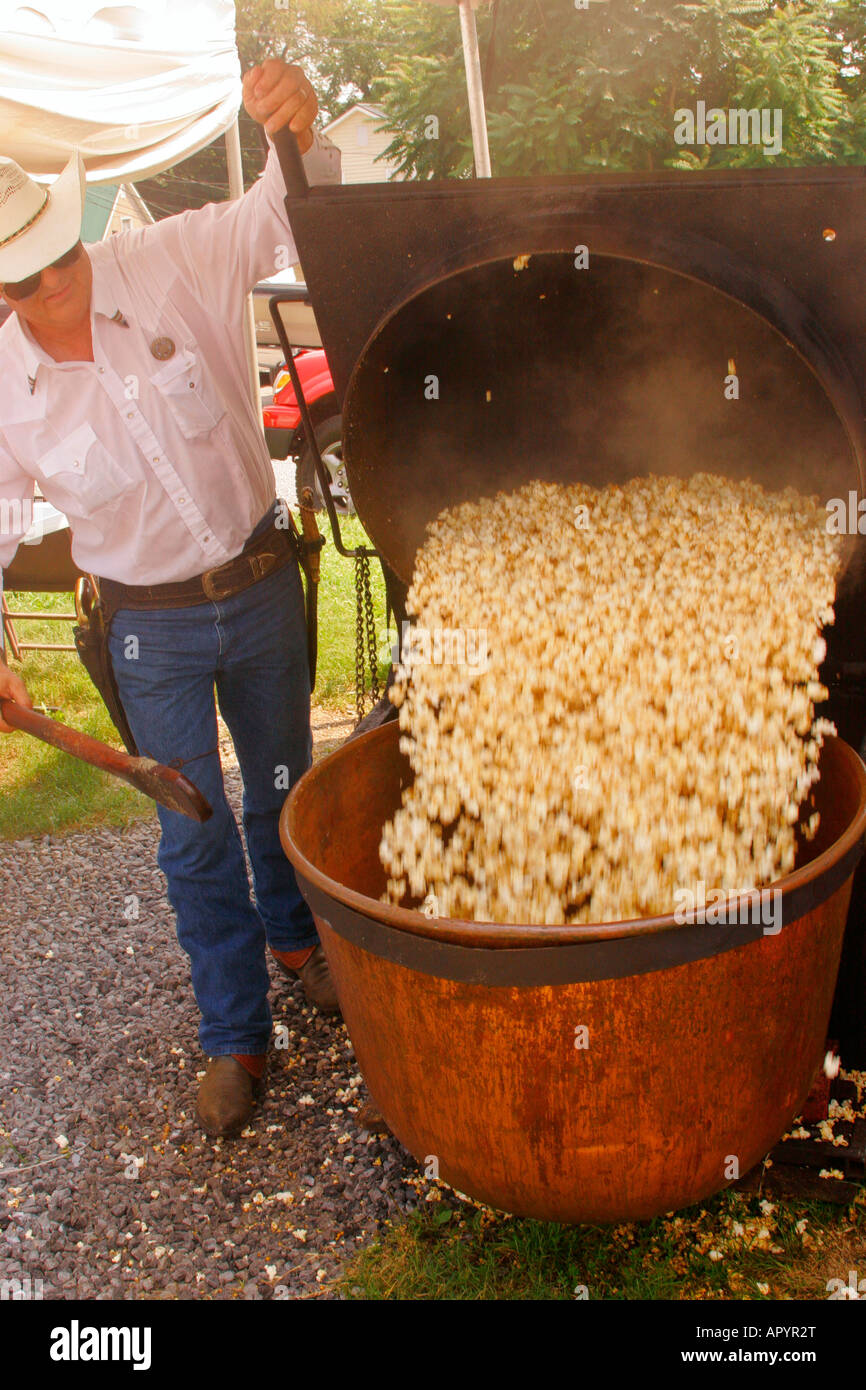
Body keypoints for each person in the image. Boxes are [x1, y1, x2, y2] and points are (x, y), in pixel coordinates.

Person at [0, 60, 342, 1139]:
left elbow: (281, 216)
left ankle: (295, 940)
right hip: (146, 629)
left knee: (282, 789)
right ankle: (234, 1034)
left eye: (59, 262)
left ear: (73, 234)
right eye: (21, 281)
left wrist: (299, 122)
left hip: (255, 583)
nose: (53, 290)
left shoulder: (166, 257)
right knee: (191, 835)